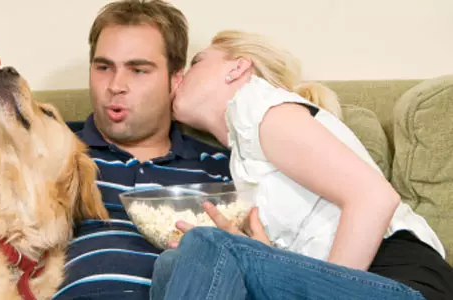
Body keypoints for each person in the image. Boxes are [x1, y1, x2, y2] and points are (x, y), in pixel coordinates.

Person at [0, 1, 231, 299]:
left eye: (138, 70)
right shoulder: (37, 144)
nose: (115, 86)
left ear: (176, 79)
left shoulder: (219, 166)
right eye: (103, 67)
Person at [150, 29, 453, 300]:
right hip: (357, 284)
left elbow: (375, 198)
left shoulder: (261, 106)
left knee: (206, 243)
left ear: (237, 68)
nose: (180, 78)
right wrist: (259, 255)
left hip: (402, 285)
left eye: (197, 62)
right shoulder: (246, 156)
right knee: (172, 264)